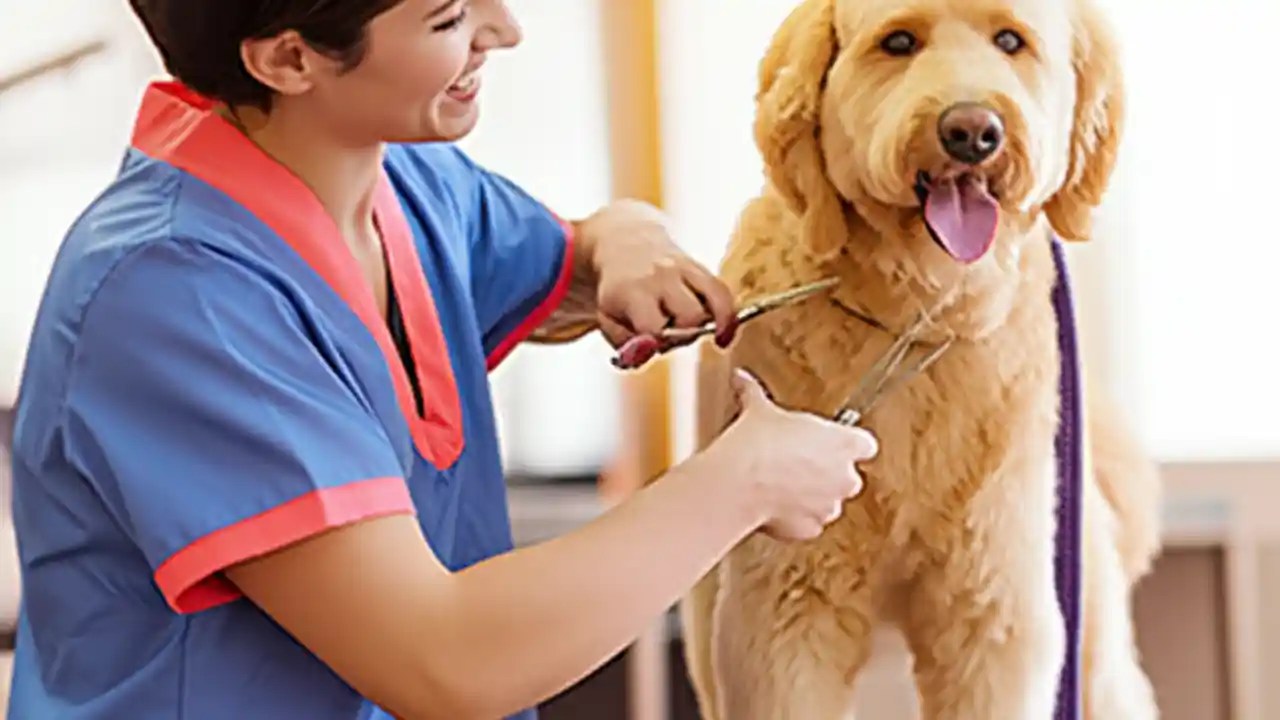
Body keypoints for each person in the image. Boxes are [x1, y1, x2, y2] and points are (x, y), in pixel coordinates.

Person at [5, 1, 879, 719]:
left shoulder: (395, 179)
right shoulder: (174, 294)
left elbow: (572, 253)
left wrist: (630, 244)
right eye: (451, 17)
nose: (504, 29)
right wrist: (742, 484)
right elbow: (446, 662)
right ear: (288, 59)